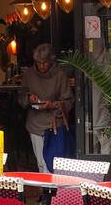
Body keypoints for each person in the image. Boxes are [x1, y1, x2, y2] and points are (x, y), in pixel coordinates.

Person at [20, 43, 73, 174]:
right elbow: (21, 96)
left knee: (55, 163)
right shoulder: (29, 74)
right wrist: (29, 98)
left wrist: (53, 105)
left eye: (45, 63)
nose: (41, 66)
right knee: (41, 162)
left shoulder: (60, 74)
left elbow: (69, 100)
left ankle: (55, 192)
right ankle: (45, 192)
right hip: (36, 123)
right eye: (38, 62)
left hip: (54, 123)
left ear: (51, 61)